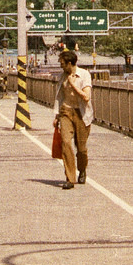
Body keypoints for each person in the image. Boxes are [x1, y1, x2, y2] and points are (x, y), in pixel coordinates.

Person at [54, 49, 93, 189]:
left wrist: (73, 84)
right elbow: (60, 97)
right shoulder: (62, 76)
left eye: (63, 64)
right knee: (65, 142)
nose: (61, 67)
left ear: (70, 63)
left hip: (81, 114)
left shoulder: (84, 75)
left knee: (81, 148)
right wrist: (57, 116)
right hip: (66, 111)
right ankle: (70, 178)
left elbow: (86, 97)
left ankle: (82, 170)